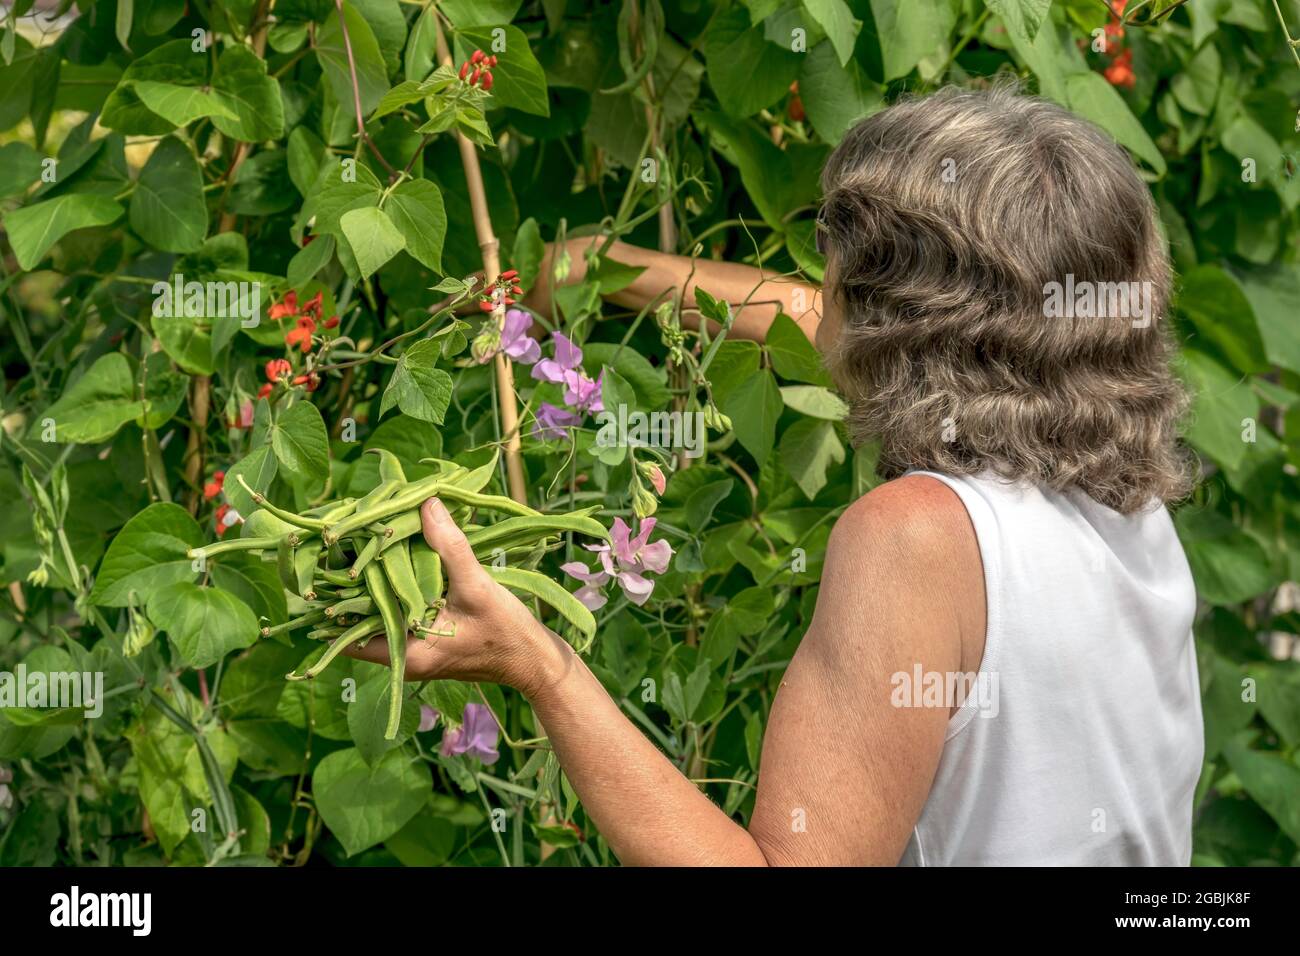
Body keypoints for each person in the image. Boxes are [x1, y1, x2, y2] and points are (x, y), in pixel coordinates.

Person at [348, 85, 1204, 866]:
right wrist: (604, 267)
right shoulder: (1117, 497)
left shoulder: (917, 538)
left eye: (836, 251)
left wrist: (539, 665)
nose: (819, 274)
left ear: (892, 315)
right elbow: (813, 315)